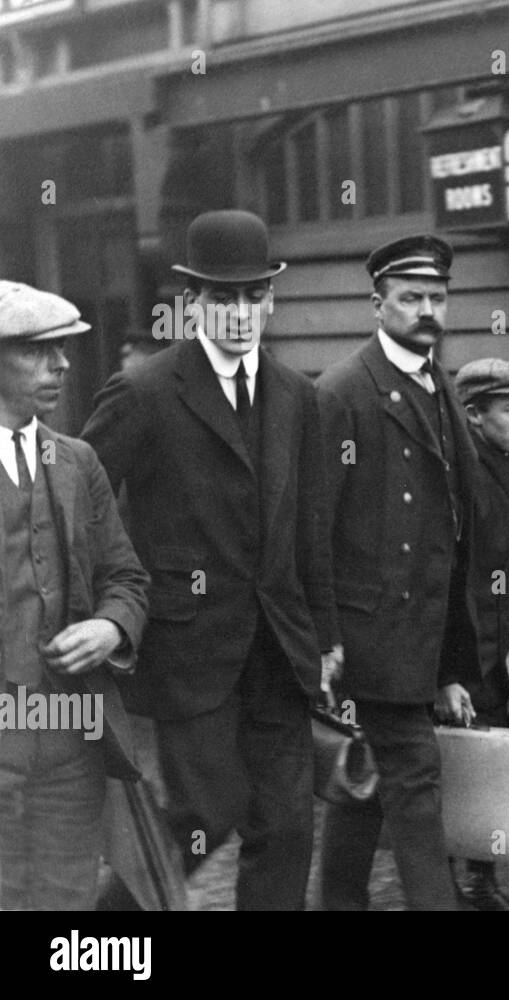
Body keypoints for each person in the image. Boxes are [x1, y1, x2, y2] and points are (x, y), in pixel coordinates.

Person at [81, 209, 338, 911]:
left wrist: (328, 637)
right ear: (191, 304)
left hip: (279, 653)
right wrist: (114, 607)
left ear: (272, 300)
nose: (240, 313)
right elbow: (80, 503)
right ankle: (100, 935)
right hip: (188, 651)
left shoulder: (298, 397)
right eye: (222, 298)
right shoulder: (145, 392)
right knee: (206, 814)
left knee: (286, 828)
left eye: (253, 296)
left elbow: (309, 526)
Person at [315, 234, 480, 911]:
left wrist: (450, 667)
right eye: (410, 298)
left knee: (369, 784)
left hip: (420, 637)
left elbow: (453, 540)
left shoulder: (441, 383)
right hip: (365, 636)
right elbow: (313, 530)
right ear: (376, 304)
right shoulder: (343, 393)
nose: (426, 311)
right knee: (414, 786)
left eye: (437, 298)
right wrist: (325, 638)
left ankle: (340, 904)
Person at [0, 282, 149, 910]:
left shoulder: (78, 460)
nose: (61, 365)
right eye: (39, 351)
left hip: (69, 732)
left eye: (62, 350)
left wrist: (110, 629)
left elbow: (127, 578)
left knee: (65, 903)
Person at [445, 357, 509, 910]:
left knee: (486, 758)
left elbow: (501, 573)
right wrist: (450, 669)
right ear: (474, 415)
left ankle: (480, 880)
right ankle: (442, 885)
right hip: (456, 647)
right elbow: (452, 577)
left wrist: (508, 645)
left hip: (490, 644)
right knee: (449, 763)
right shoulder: (459, 478)